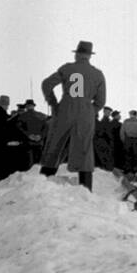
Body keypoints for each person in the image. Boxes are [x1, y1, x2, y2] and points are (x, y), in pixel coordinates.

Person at [40, 40, 107, 191]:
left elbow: (46, 84)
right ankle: (86, 189)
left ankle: (42, 183)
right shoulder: (97, 74)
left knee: (55, 144)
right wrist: (90, 112)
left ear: (77, 54)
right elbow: (101, 101)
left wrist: (54, 104)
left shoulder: (67, 68)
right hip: (86, 112)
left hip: (65, 109)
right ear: (89, 56)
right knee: (85, 148)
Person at [17, 99, 49, 168]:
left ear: (26, 107)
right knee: (38, 163)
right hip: (38, 142)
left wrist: (29, 135)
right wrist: (40, 136)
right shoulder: (41, 115)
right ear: (33, 106)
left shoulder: (22, 117)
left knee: (29, 164)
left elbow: (19, 129)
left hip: (27, 143)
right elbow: (46, 129)